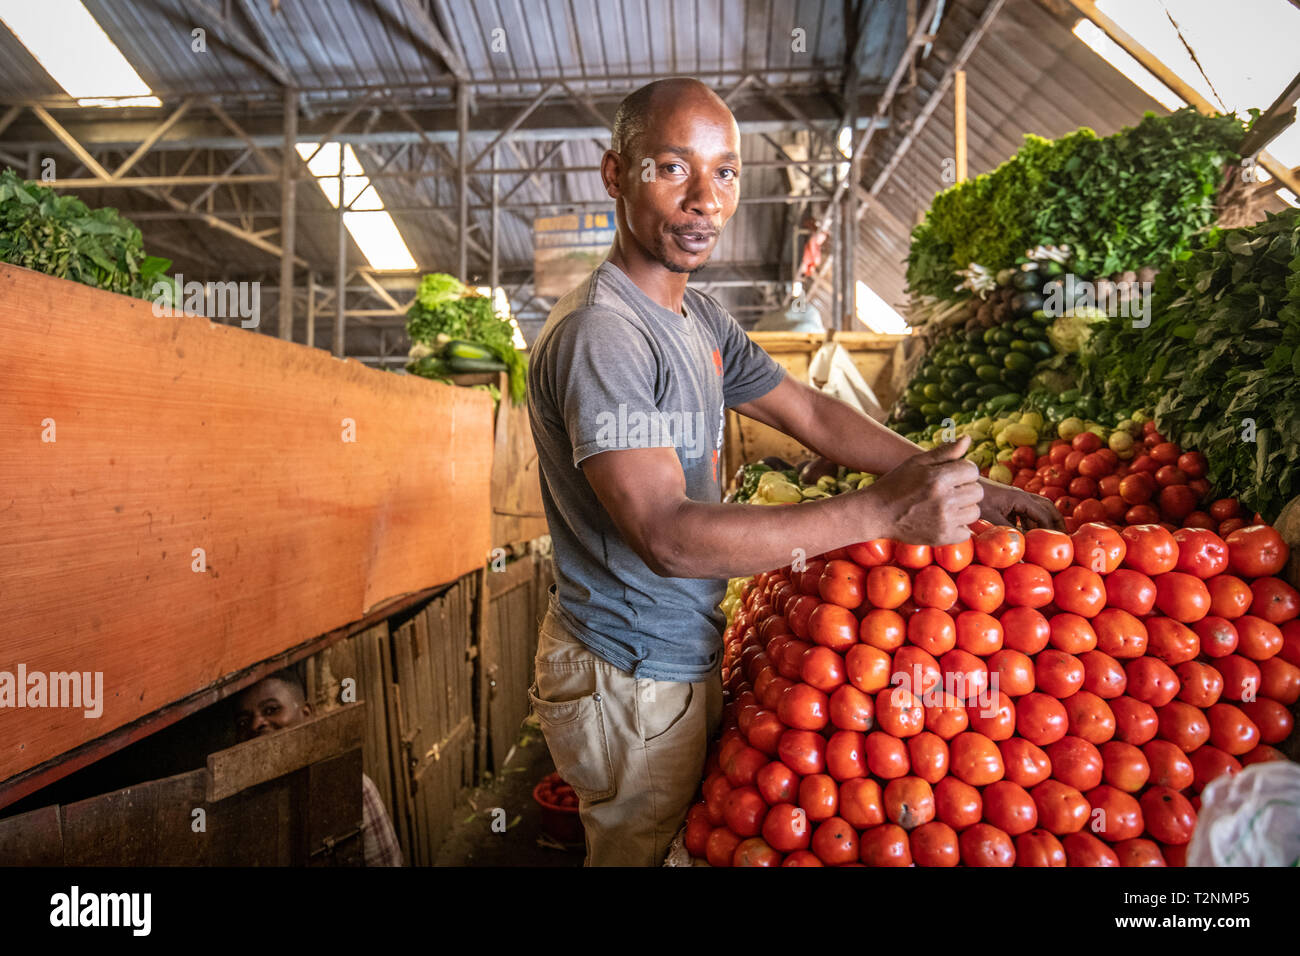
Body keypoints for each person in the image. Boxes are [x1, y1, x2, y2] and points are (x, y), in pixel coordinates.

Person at [526, 77, 1062, 866]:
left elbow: (809, 413)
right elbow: (666, 535)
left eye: (726, 172)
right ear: (617, 174)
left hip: (669, 650)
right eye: (673, 168)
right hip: (628, 666)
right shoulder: (606, 335)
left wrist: (973, 488)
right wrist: (881, 511)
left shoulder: (696, 317)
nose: (706, 198)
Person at [233, 669, 402, 867]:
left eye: (271, 710)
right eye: (244, 721)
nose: (256, 724)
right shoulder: (236, 807)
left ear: (307, 715)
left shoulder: (352, 788)